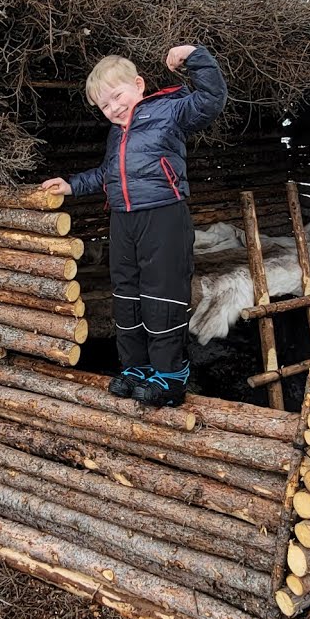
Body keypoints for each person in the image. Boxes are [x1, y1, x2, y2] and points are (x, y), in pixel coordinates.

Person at [42, 45, 227, 407]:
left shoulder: (169, 110)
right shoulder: (117, 135)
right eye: (105, 106)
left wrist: (194, 56)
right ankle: (136, 368)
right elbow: (108, 174)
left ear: (138, 85)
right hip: (123, 221)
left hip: (163, 217)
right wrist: (70, 185)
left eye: (117, 96)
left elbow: (211, 98)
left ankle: (171, 375)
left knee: (162, 295)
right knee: (126, 297)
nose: (114, 108)